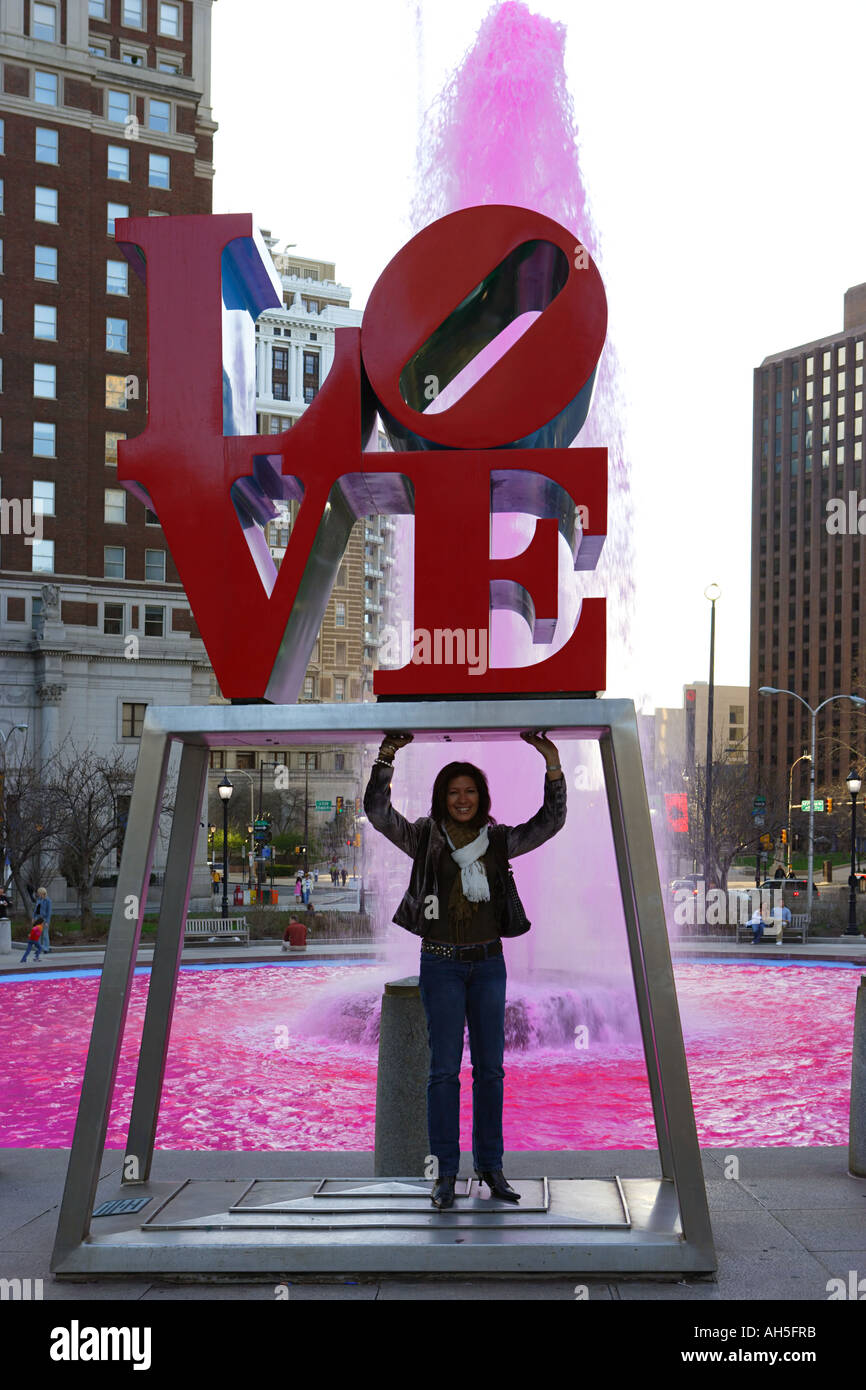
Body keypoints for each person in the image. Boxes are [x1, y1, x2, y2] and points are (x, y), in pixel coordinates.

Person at [364, 728, 566, 1211]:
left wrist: (552, 762)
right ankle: (444, 1174)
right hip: (441, 965)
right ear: (441, 798)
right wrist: (387, 757)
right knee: (443, 1072)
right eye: (453, 792)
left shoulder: (498, 841)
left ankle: (492, 1169)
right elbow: (377, 813)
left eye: (470, 791)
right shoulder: (422, 837)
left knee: (491, 1071)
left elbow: (550, 822)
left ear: (481, 798)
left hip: (488, 965)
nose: (462, 799)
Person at [33, 887, 51, 954]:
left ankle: (46, 948)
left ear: (42, 893)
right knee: (38, 935)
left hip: (44, 919)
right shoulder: (38, 900)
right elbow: (36, 909)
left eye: (39, 893)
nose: (38, 894)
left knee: (45, 935)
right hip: (38, 918)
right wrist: (33, 917)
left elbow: (49, 912)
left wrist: (47, 922)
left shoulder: (48, 900)